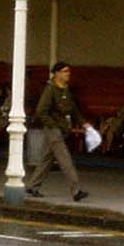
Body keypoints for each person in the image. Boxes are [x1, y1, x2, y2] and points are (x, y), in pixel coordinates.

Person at [25, 62, 89, 202]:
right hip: (54, 130)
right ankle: (76, 190)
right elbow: (41, 111)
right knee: (65, 160)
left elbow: (73, 109)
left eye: (68, 71)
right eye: (65, 71)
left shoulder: (65, 89)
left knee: (46, 159)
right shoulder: (51, 90)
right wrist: (53, 125)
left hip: (60, 129)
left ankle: (32, 186)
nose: (68, 73)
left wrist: (83, 122)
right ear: (57, 73)